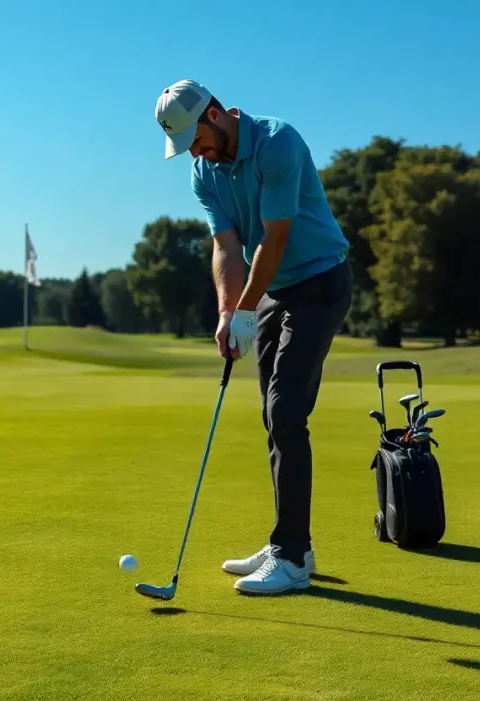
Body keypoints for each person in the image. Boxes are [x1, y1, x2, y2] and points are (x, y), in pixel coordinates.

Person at [155, 79, 353, 595]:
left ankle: (291, 560)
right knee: (272, 412)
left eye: (195, 139)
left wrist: (246, 308)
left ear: (215, 115)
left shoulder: (277, 142)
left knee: (287, 411)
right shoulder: (205, 171)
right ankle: (291, 542)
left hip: (319, 280)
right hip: (275, 290)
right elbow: (227, 246)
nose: (194, 152)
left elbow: (275, 237)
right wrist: (228, 313)